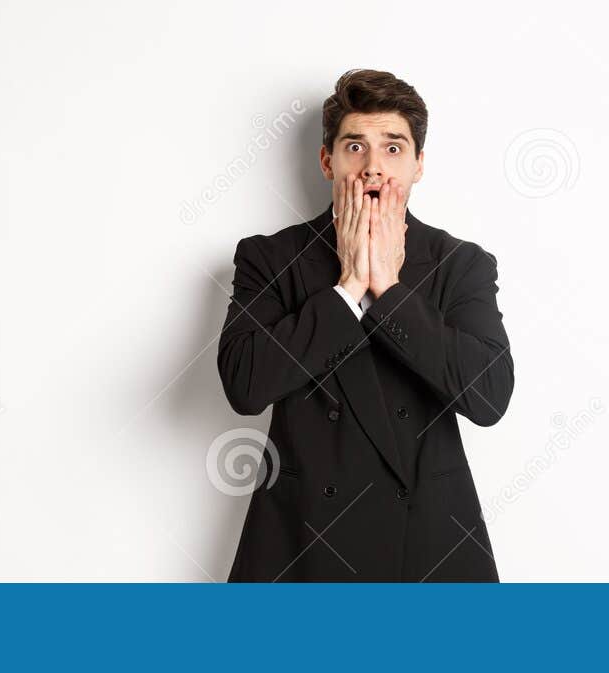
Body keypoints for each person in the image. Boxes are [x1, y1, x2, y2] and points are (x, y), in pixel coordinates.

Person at [218, 69, 513, 581]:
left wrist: (391, 292)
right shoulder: (269, 257)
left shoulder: (460, 263)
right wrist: (350, 286)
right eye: (355, 147)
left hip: (427, 539)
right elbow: (246, 387)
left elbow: (488, 398)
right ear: (327, 161)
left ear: (419, 165)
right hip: (302, 538)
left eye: (393, 148)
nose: (373, 167)